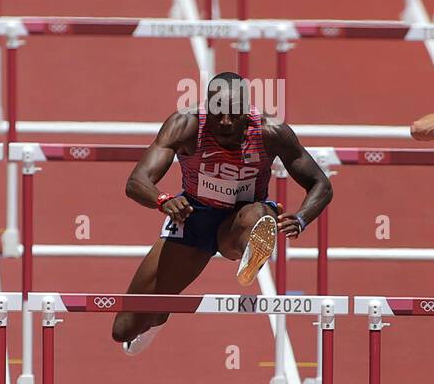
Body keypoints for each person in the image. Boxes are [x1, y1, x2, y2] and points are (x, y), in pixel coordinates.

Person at [113, 72, 333, 353]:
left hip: (240, 219)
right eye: (217, 115)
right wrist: (163, 199)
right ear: (206, 107)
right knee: (123, 330)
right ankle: (159, 315)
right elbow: (136, 181)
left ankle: (251, 251)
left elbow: (321, 184)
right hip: (193, 217)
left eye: (234, 115)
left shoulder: (271, 132)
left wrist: (302, 217)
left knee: (258, 214)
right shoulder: (185, 125)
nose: (225, 123)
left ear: (247, 112)